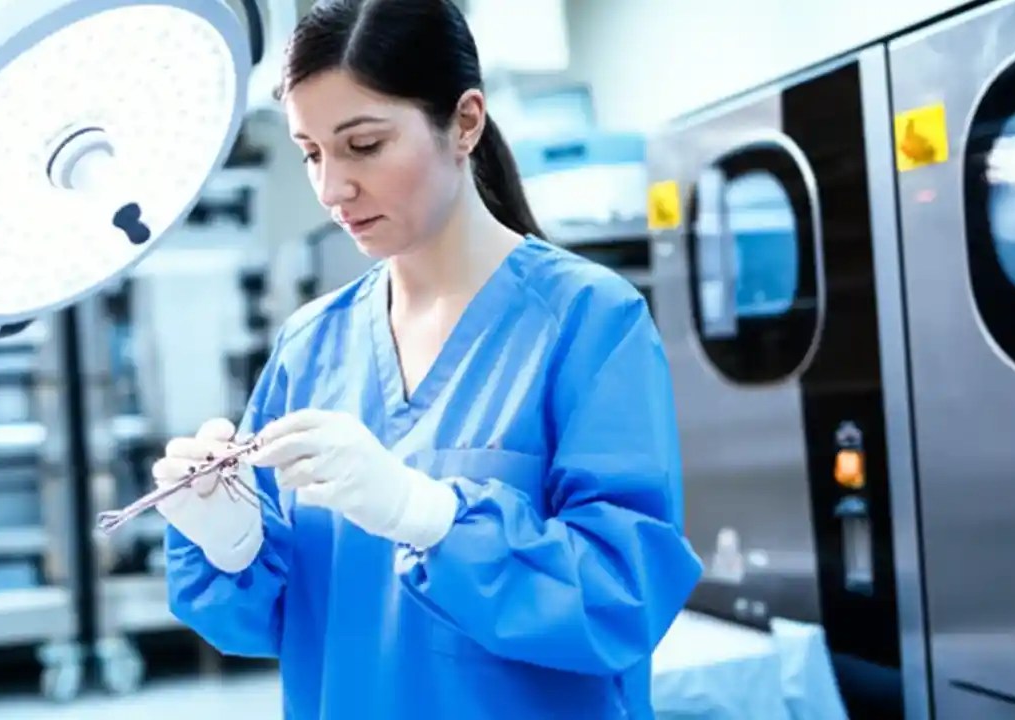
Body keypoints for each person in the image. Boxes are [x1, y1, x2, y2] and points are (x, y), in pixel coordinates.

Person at [152, 0, 702, 717]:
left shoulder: (588, 322)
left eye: (364, 145)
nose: (331, 189)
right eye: (312, 152)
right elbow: (280, 621)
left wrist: (430, 515)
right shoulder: (309, 349)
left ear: (464, 122)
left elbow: (620, 600)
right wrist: (230, 544)